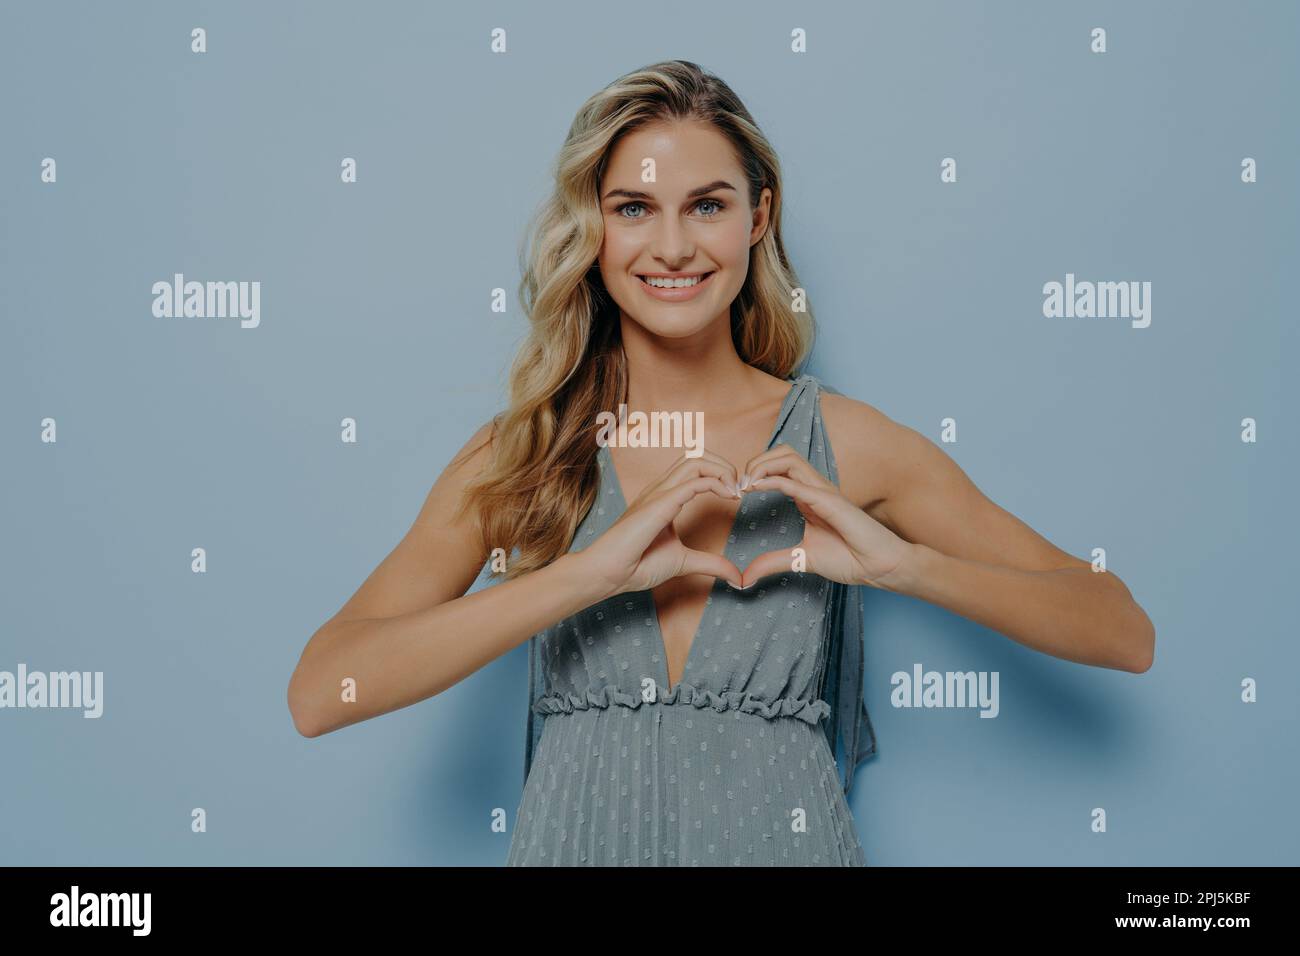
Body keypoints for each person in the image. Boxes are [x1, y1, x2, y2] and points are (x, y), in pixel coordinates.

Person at [286, 60, 1155, 867]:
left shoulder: (844, 442)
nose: (672, 247)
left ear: (758, 216)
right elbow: (323, 692)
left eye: (707, 205)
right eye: (633, 208)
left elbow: (1121, 630)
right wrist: (582, 577)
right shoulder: (527, 452)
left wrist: (910, 568)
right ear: (593, 228)